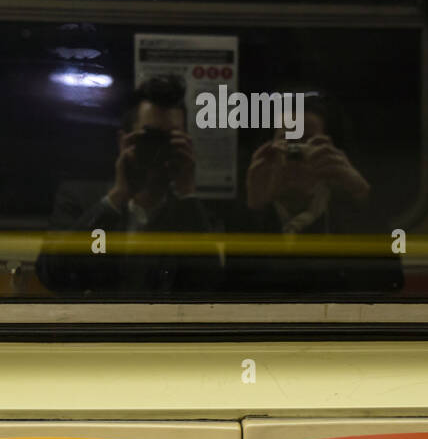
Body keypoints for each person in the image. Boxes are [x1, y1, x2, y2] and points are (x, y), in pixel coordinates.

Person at [36, 74, 221, 296]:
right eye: (150, 138)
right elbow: (54, 274)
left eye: (170, 139)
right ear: (123, 141)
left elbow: (209, 286)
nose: (159, 149)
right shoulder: (81, 200)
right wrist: (115, 201)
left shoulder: (195, 215)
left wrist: (186, 193)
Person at [228, 90, 403, 295]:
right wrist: (254, 210)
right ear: (267, 149)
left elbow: (388, 283)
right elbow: (232, 292)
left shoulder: (345, 212)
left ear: (329, 151)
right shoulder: (248, 208)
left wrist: (361, 194)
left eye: (308, 143)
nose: (295, 155)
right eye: (287, 142)